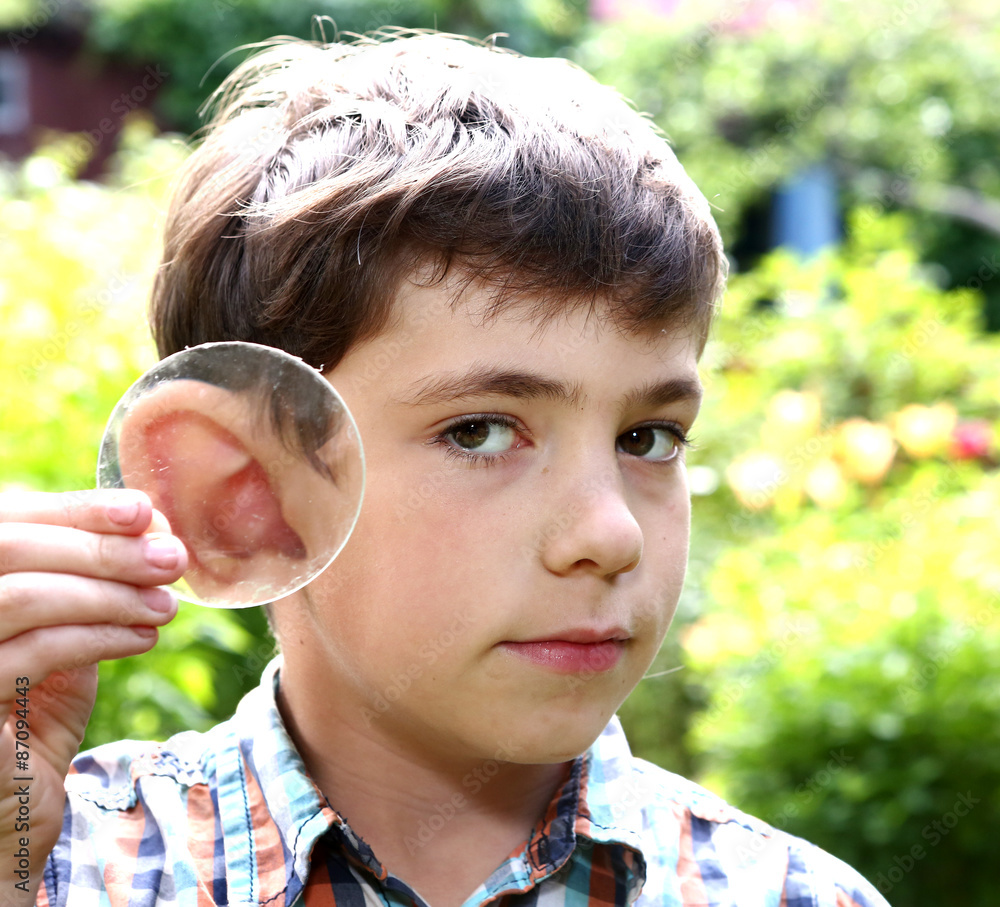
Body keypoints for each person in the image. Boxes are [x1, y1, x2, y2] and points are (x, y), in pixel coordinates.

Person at [1, 31, 889, 907]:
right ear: (243, 496)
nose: (611, 533)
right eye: (480, 431)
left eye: (648, 438)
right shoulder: (53, 866)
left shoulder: (797, 896)